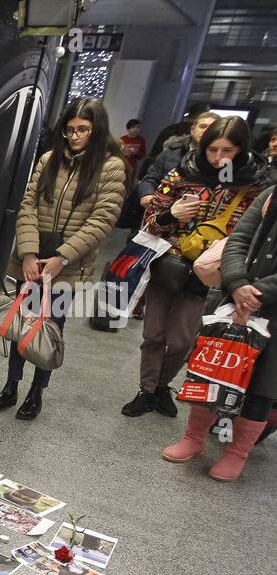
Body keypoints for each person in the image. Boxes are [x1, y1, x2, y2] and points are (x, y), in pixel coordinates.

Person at [0, 98, 128, 420]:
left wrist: (61, 259)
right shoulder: (50, 159)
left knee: (49, 329)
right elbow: (28, 206)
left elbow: (102, 220)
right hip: (33, 259)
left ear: (97, 130)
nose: (75, 136)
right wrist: (29, 253)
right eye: (70, 130)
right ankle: (11, 386)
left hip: (69, 266)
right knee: (21, 325)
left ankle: (36, 392)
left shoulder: (111, 166)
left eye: (83, 130)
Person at [123, 117, 264, 418]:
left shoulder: (251, 185)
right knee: (154, 335)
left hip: (209, 272)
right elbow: (150, 221)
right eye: (213, 149)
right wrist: (169, 214)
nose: (218, 157)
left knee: (181, 340)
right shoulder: (183, 173)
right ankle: (147, 390)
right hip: (167, 263)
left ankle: (161, 386)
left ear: (241, 149)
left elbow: (250, 234)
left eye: (227, 150)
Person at [162, 181, 277, 480]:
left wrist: (259, 293)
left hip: (271, 310)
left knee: (261, 385)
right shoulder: (270, 193)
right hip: (235, 299)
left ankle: (237, 453)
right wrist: (238, 283)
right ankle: (193, 438)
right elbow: (238, 239)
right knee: (211, 369)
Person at [135, 110, 218, 213]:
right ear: (192, 130)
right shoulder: (171, 152)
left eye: (211, 128)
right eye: (202, 126)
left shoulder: (221, 159)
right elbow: (150, 178)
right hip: (162, 210)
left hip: (198, 215)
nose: (206, 131)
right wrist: (147, 194)